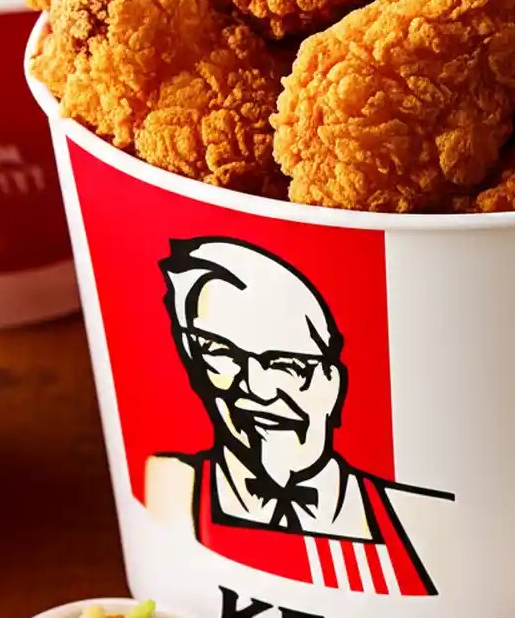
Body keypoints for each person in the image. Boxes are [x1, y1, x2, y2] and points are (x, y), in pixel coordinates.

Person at [144, 238, 450, 595]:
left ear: (333, 383)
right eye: (223, 355)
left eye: (288, 364)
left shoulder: (416, 517)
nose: (258, 389)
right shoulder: (174, 487)